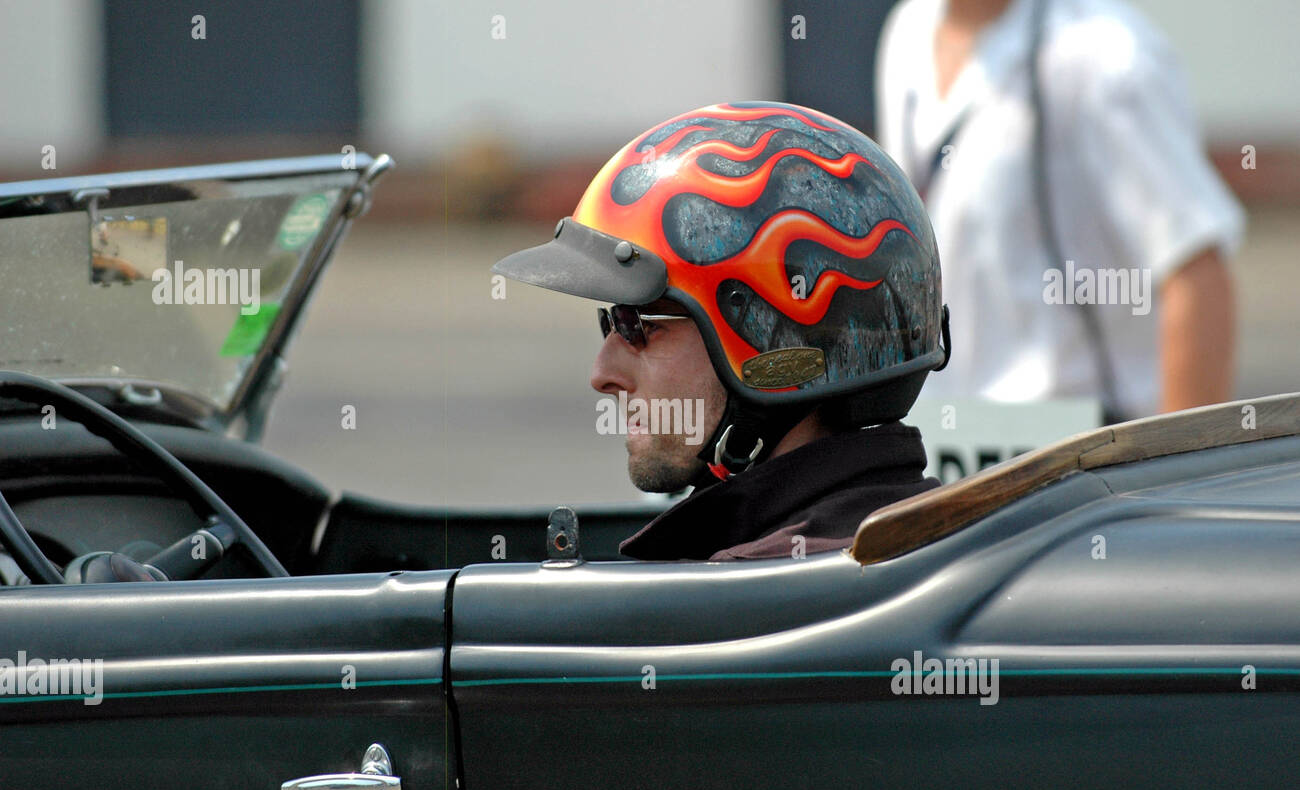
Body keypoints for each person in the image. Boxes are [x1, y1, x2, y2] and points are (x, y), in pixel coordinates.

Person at [493, 102, 950, 561]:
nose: (602, 372)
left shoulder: (762, 605)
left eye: (639, 325)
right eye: (610, 322)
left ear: (773, 341)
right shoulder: (918, 540)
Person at [875, 0, 1243, 420]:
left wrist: (1178, 473)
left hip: (1071, 457)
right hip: (947, 444)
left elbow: (1198, 273)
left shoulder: (1105, 57)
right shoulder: (908, 31)